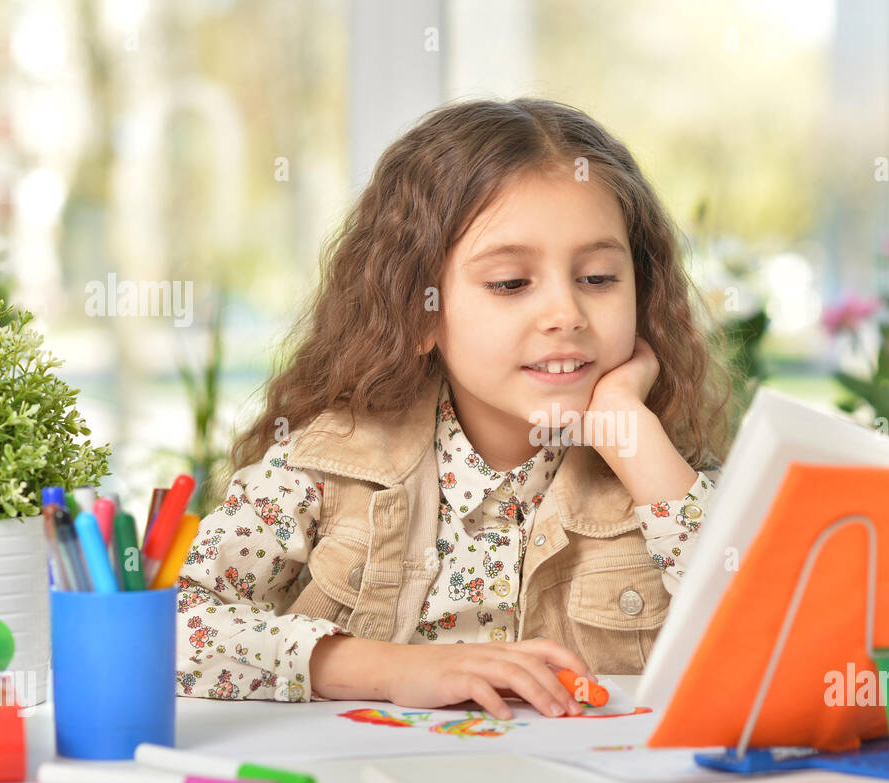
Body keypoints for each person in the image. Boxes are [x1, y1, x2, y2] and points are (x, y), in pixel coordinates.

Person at [175, 97, 736, 718]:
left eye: (598, 278)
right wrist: (391, 669)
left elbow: (766, 644)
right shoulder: (327, 467)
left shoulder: (664, 472)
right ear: (420, 312)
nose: (567, 315)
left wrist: (634, 440)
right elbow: (170, 628)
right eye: (509, 284)